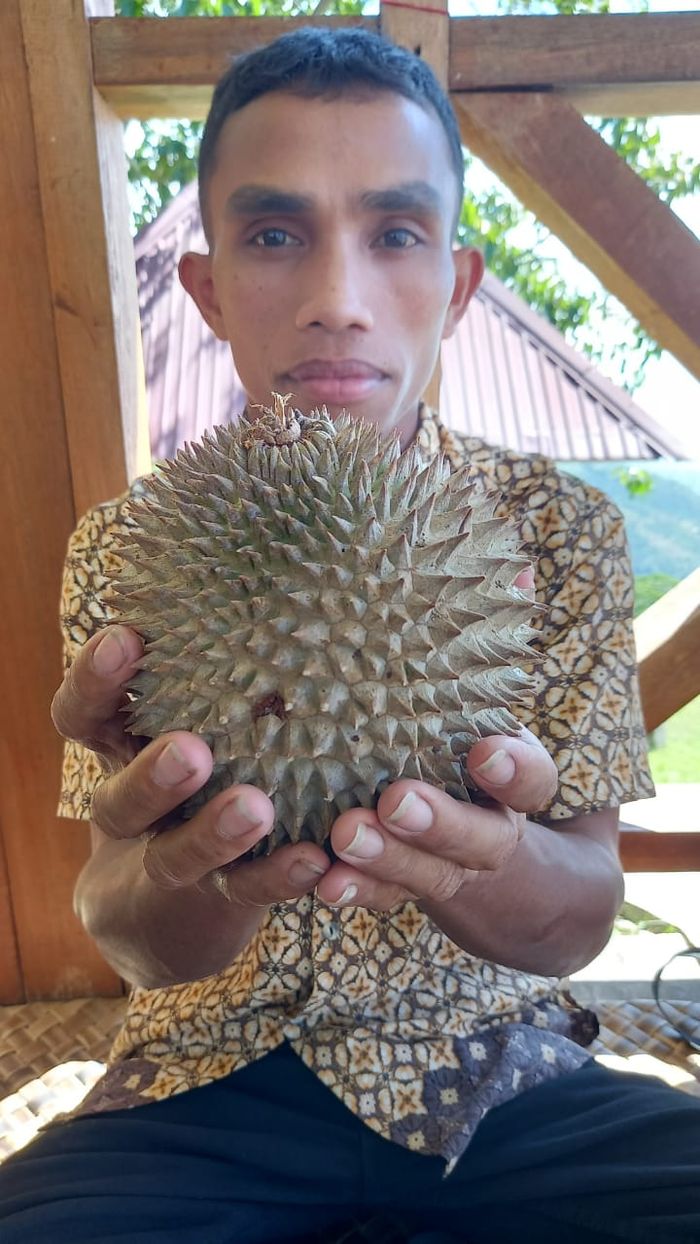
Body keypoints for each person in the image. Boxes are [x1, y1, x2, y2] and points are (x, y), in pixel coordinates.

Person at [1, 25, 698, 1244]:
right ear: (209, 286)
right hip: (201, 1090)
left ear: (459, 282)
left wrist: (494, 859)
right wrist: (184, 869)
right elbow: (124, 921)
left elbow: (583, 905)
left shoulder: (556, 533)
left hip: (509, 1078)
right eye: (275, 234)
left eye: (394, 233)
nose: (336, 300)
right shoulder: (130, 549)